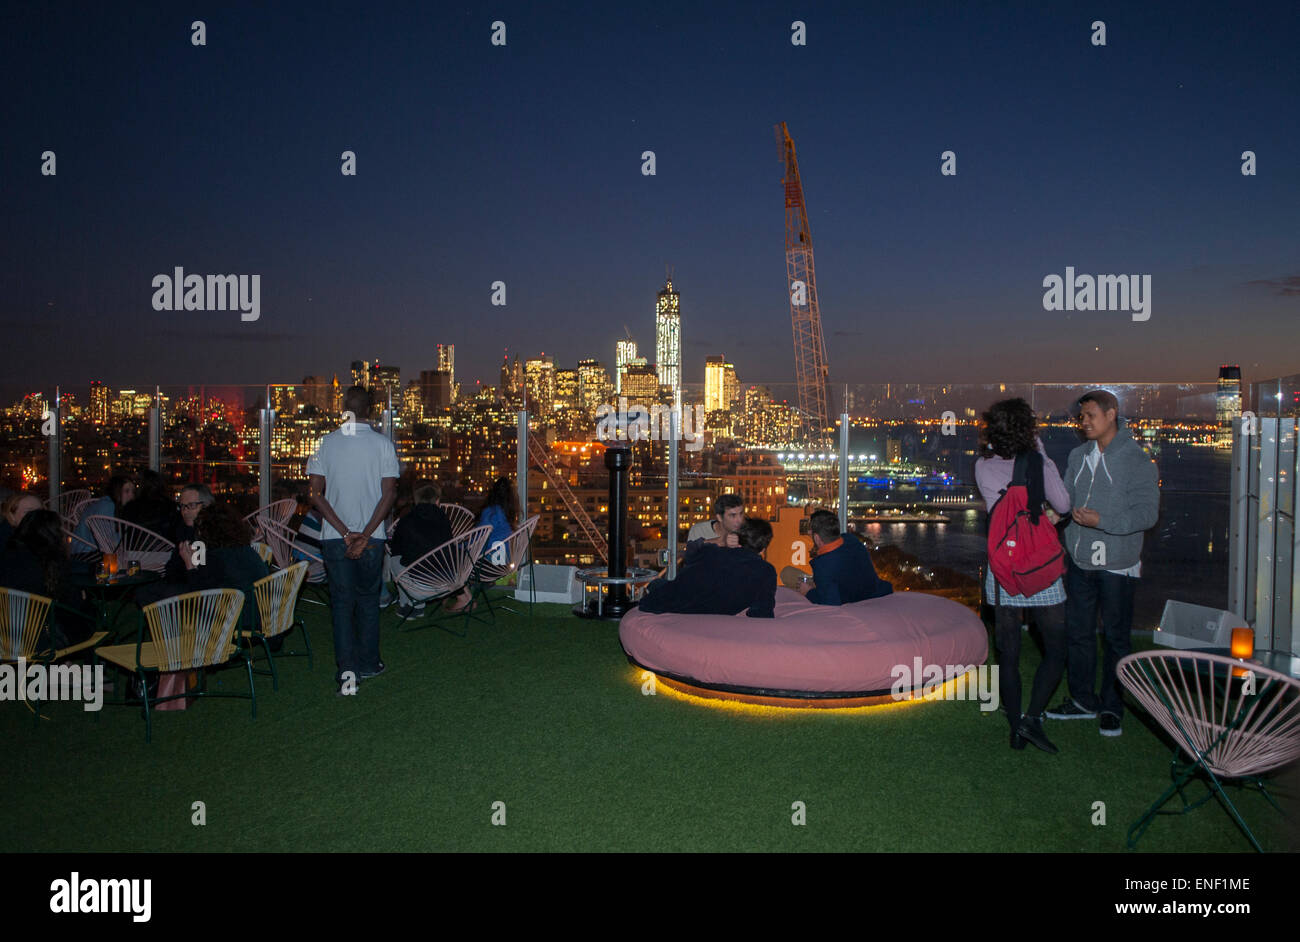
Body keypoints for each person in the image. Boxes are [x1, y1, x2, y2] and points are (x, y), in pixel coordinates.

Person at [1046, 390, 1161, 737]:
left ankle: (1112, 705)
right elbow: (1066, 500)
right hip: (1080, 560)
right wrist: (1053, 514)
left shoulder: (1138, 460)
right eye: (1081, 417)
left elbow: (1147, 514)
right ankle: (1083, 700)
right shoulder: (1078, 456)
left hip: (1117, 564)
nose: (1083, 423)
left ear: (1112, 414)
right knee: (1078, 633)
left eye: (1090, 415)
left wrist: (1104, 520)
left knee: (1116, 637)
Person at [975, 398, 1072, 754]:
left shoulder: (982, 468)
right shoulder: (1036, 463)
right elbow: (1062, 505)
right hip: (1040, 567)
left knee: (1008, 654)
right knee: (1056, 647)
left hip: (1003, 569)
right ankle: (1033, 717)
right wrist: (1041, 453)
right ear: (1027, 430)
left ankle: (1016, 727)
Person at [307, 386, 400, 693]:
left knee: (342, 605)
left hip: (335, 539)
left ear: (343, 407)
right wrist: (366, 534)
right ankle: (370, 663)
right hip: (372, 540)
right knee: (368, 602)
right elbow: (389, 495)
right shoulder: (383, 444)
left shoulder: (326, 443)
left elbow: (315, 494)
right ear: (371, 410)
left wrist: (346, 534)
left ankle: (347, 669)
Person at [638, 517, 777, 618]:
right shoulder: (766, 571)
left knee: (660, 584)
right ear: (763, 549)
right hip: (705, 610)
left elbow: (684, 578)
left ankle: (652, 586)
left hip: (670, 604)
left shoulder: (710, 552)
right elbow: (761, 613)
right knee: (662, 585)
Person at [0, 509, 96, 651]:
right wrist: (82, 597)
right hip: (37, 640)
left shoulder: (7, 555)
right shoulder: (50, 561)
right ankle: (91, 664)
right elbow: (69, 602)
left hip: (6, 636)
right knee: (89, 615)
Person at [176, 503, 270, 632]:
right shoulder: (245, 550)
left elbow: (198, 596)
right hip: (264, 614)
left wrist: (189, 564)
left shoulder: (216, 557)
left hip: (242, 620)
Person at [788, 510, 893, 606]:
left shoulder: (823, 566)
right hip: (880, 594)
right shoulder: (851, 540)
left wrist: (808, 592)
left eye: (811, 532)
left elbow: (830, 604)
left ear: (817, 538)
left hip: (863, 606)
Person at [387, 482, 454, 618]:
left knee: (394, 557)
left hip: (418, 588)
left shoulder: (407, 520)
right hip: (446, 582)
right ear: (437, 500)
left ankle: (411, 606)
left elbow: (396, 549)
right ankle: (415, 606)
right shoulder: (444, 519)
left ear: (416, 500)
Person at [72, 475, 135, 545]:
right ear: (117, 491)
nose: (131, 495)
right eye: (126, 491)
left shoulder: (105, 503)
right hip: (87, 552)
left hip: (86, 549)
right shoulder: (107, 506)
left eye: (133, 492)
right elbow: (109, 541)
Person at [121, 470, 181, 542]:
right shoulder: (170, 507)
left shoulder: (130, 507)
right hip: (165, 550)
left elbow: (124, 533)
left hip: (134, 551)